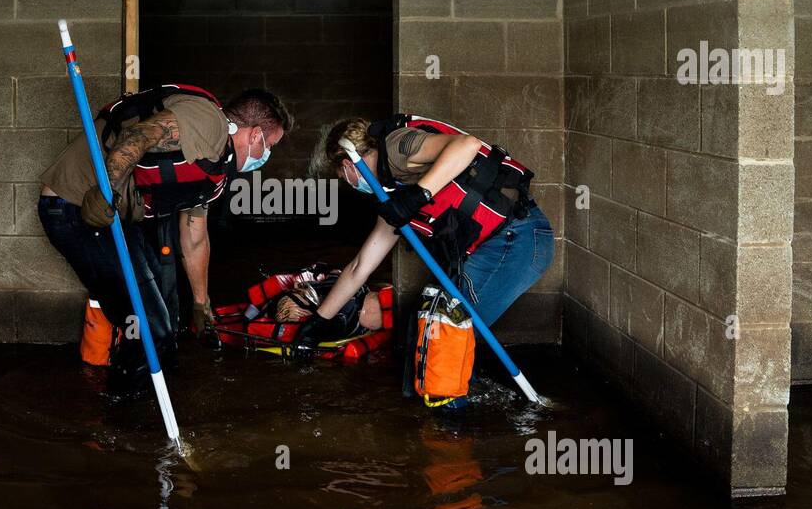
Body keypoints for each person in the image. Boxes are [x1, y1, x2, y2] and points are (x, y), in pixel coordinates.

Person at [38, 84, 294, 396]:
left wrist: (202, 304)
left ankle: (146, 394)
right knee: (150, 328)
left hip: (112, 217)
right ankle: (121, 416)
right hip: (74, 207)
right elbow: (139, 136)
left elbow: (194, 235)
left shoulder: (215, 162)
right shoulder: (208, 122)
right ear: (255, 135)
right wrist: (107, 192)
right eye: (270, 145)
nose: (266, 155)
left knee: (164, 320)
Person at [295, 114, 554, 403]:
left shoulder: (396, 147)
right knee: (421, 333)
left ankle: (448, 431)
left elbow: (466, 146)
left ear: (347, 165)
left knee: (442, 333)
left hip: (516, 240)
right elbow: (360, 267)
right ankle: (445, 405)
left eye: (343, 178)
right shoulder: (392, 192)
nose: (349, 183)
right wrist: (318, 322)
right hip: (499, 246)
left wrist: (419, 195)